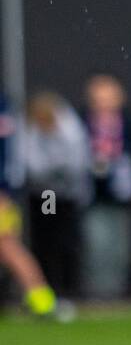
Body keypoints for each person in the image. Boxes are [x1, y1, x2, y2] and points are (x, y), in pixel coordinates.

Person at [22, 91, 92, 303]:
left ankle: (69, 291)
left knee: (67, 243)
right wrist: (54, 171)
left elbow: (77, 163)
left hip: (66, 196)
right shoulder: (32, 129)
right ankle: (49, 290)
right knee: (45, 243)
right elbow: (32, 165)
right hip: (46, 195)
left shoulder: (70, 129)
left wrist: (54, 170)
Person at [81, 74, 131, 300]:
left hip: (120, 194)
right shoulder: (84, 121)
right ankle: (98, 293)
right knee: (96, 245)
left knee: (120, 248)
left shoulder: (127, 122)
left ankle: (116, 293)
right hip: (93, 195)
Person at [0, 93, 59, 317]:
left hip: (4, 193)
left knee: (8, 246)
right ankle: (42, 300)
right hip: (7, 191)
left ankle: (42, 300)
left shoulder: (3, 105)